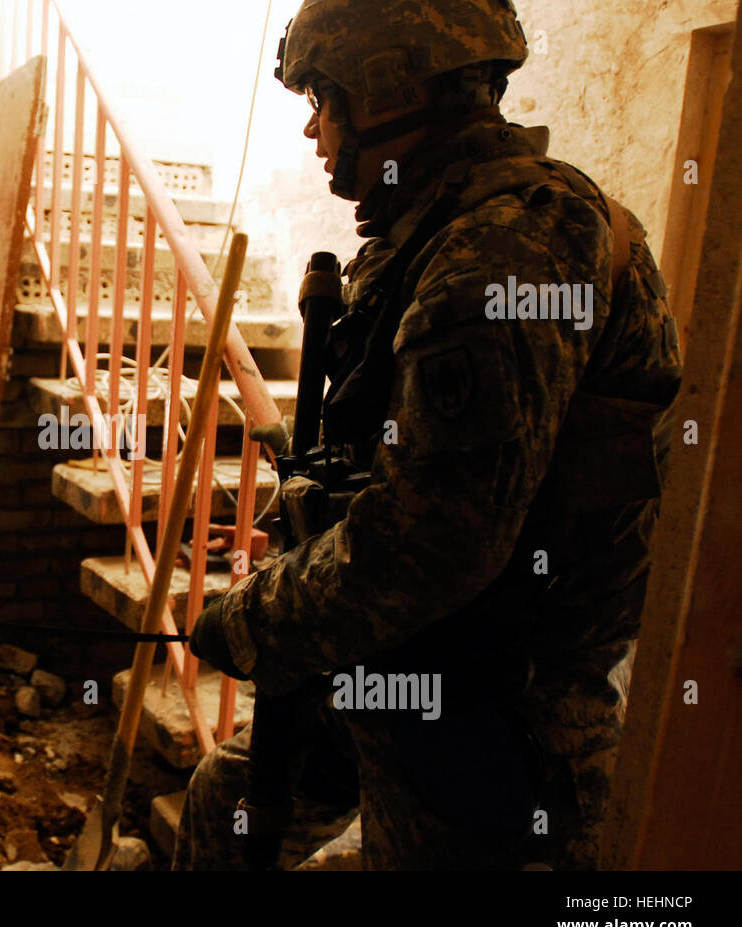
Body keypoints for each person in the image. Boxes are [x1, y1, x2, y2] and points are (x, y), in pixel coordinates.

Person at [177, 0, 682, 870]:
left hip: (498, 703)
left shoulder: (509, 249)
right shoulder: (440, 234)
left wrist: (256, 619)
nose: (311, 127)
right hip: (405, 657)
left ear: (387, 91)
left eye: (324, 98)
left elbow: (436, 540)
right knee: (229, 811)